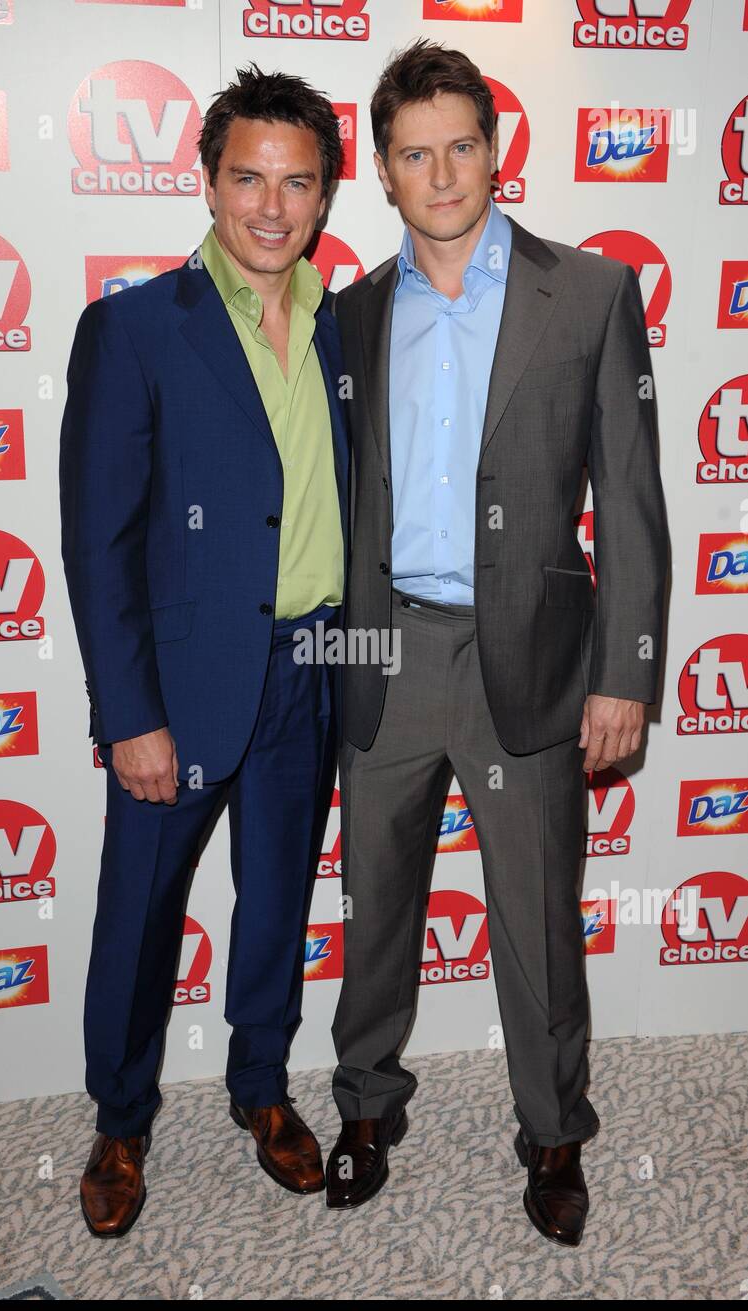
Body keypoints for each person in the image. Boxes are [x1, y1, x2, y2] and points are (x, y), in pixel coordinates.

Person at [325, 39, 669, 1246]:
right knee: (376, 910)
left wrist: (624, 674)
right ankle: (367, 1107)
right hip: (388, 655)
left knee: (536, 916)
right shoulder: (350, 312)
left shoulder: (588, 292)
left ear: (496, 146)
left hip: (530, 656)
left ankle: (554, 1128)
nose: (442, 172)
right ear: (383, 170)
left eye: (460, 144)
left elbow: (629, 500)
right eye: (413, 153)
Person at [59, 63, 348, 1236]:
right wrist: (128, 712)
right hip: (179, 687)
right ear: (209, 181)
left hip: (314, 669)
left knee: (277, 899)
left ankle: (261, 1089)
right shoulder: (134, 329)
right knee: (140, 913)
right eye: (249, 179)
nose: (272, 207)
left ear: (325, 196)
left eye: (298, 183)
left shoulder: (347, 326)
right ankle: (121, 1118)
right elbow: (98, 539)